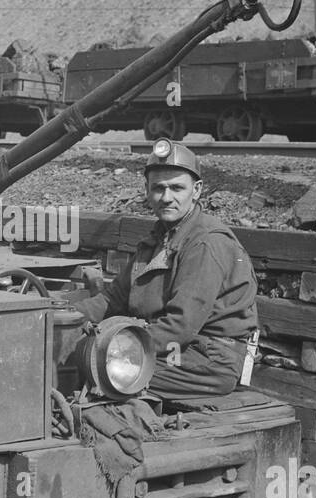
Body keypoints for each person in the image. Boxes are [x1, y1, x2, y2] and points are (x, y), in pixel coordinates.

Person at [70, 139, 259, 400]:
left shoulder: (205, 242)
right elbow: (113, 299)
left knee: (104, 369)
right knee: (80, 355)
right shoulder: (157, 239)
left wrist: (120, 347)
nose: (166, 197)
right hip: (174, 349)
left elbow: (180, 326)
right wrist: (62, 316)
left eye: (176, 188)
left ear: (197, 190)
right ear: (147, 190)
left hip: (209, 359)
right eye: (158, 188)